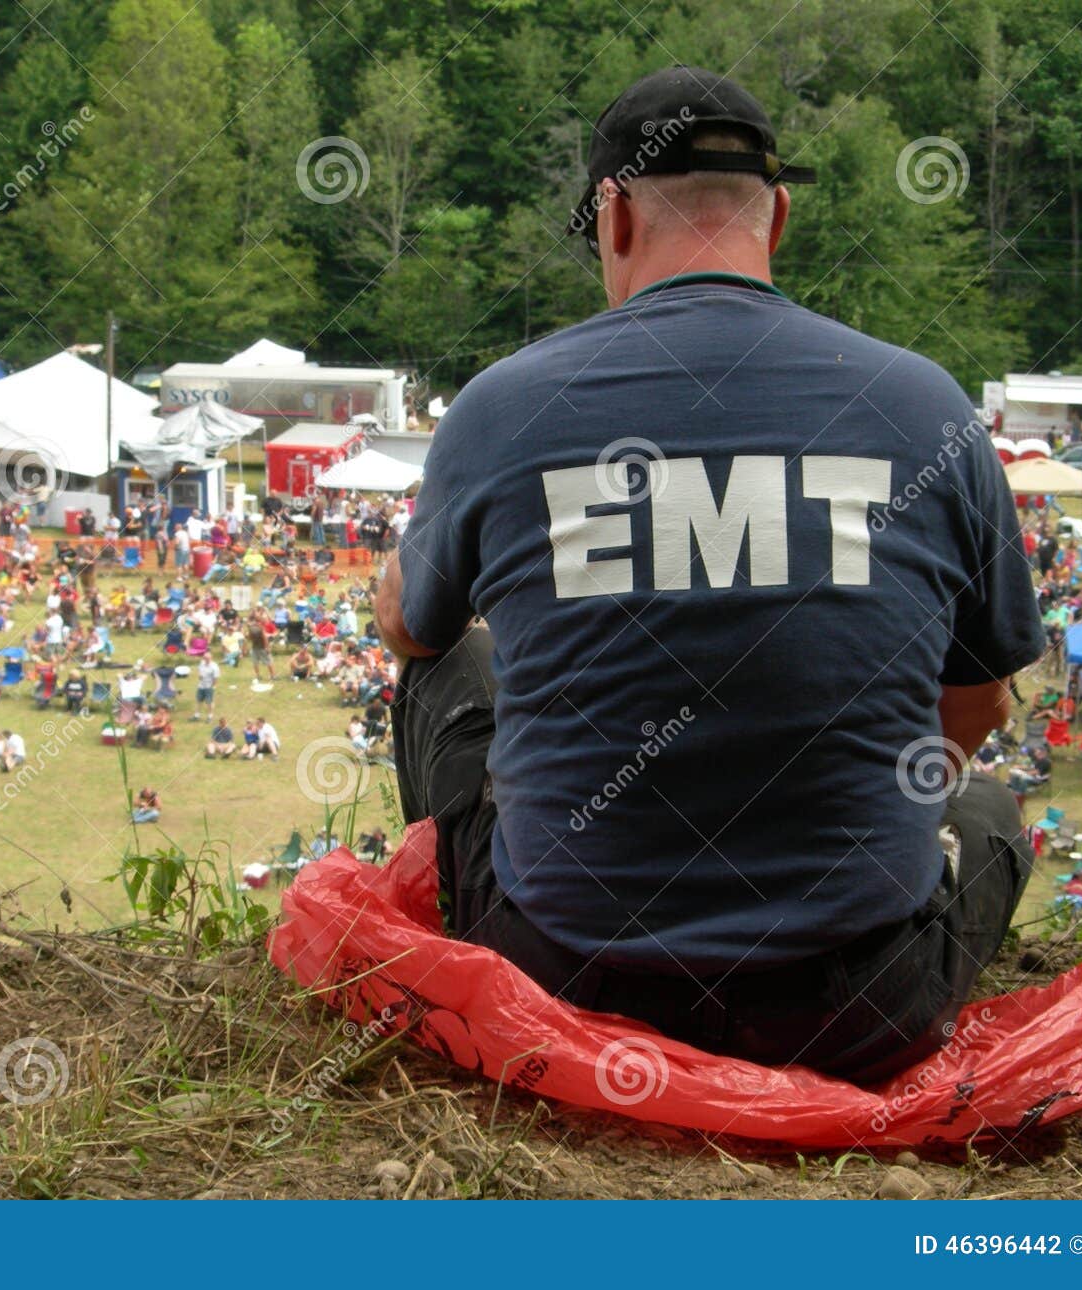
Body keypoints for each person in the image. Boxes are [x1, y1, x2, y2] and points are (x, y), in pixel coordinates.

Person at [373, 66, 1044, 1083]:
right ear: (777, 217)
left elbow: (414, 633)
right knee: (987, 813)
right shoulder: (926, 406)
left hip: (564, 981)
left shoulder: (501, 407)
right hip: (857, 1007)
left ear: (612, 216)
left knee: (448, 666)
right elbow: (979, 702)